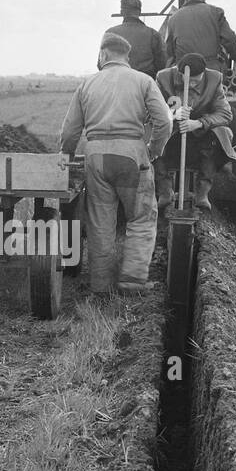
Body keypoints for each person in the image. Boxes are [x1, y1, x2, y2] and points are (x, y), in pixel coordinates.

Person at [59, 32, 173, 295]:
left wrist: (65, 156)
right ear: (126, 57)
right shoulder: (144, 81)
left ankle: (100, 287)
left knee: (100, 223)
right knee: (141, 218)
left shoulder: (87, 85)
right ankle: (131, 284)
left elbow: (70, 131)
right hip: (132, 155)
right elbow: (164, 122)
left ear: (103, 54)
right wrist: (153, 150)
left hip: (95, 156)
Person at [153, 53, 236, 213]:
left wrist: (198, 123)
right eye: (188, 80)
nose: (191, 84)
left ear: (204, 73)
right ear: (179, 74)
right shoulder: (163, 78)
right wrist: (172, 115)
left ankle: (202, 191)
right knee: (152, 132)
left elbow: (225, 114)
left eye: (196, 80)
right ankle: (164, 190)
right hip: (171, 134)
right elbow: (152, 109)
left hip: (201, 136)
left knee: (222, 132)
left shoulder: (214, 79)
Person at [163, 0, 236, 74]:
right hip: (211, 71)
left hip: (184, 71)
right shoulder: (215, 13)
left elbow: (170, 52)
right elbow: (230, 40)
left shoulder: (173, 18)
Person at [106, 0, 167, 79]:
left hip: (116, 82)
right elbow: (162, 64)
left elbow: (101, 64)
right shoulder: (153, 34)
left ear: (121, 12)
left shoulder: (111, 33)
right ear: (140, 12)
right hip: (145, 84)